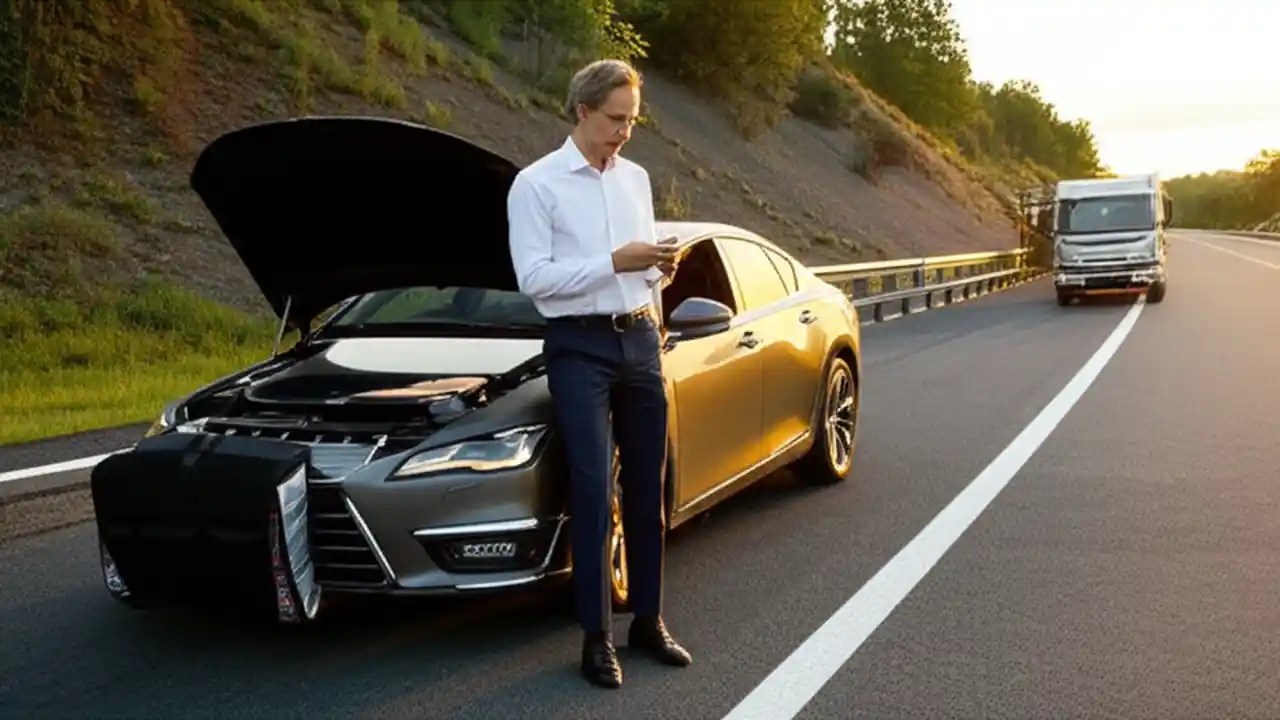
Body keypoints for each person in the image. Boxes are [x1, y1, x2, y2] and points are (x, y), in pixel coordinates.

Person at [506, 58, 691, 689]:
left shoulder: (635, 178)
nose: (625, 132)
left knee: (650, 485)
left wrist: (655, 286)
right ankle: (595, 637)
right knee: (591, 489)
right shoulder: (536, 186)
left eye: (633, 121)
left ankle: (648, 620)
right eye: (616, 119)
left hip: (640, 339)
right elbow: (535, 282)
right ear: (582, 111)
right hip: (578, 347)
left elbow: (642, 268)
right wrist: (614, 261)